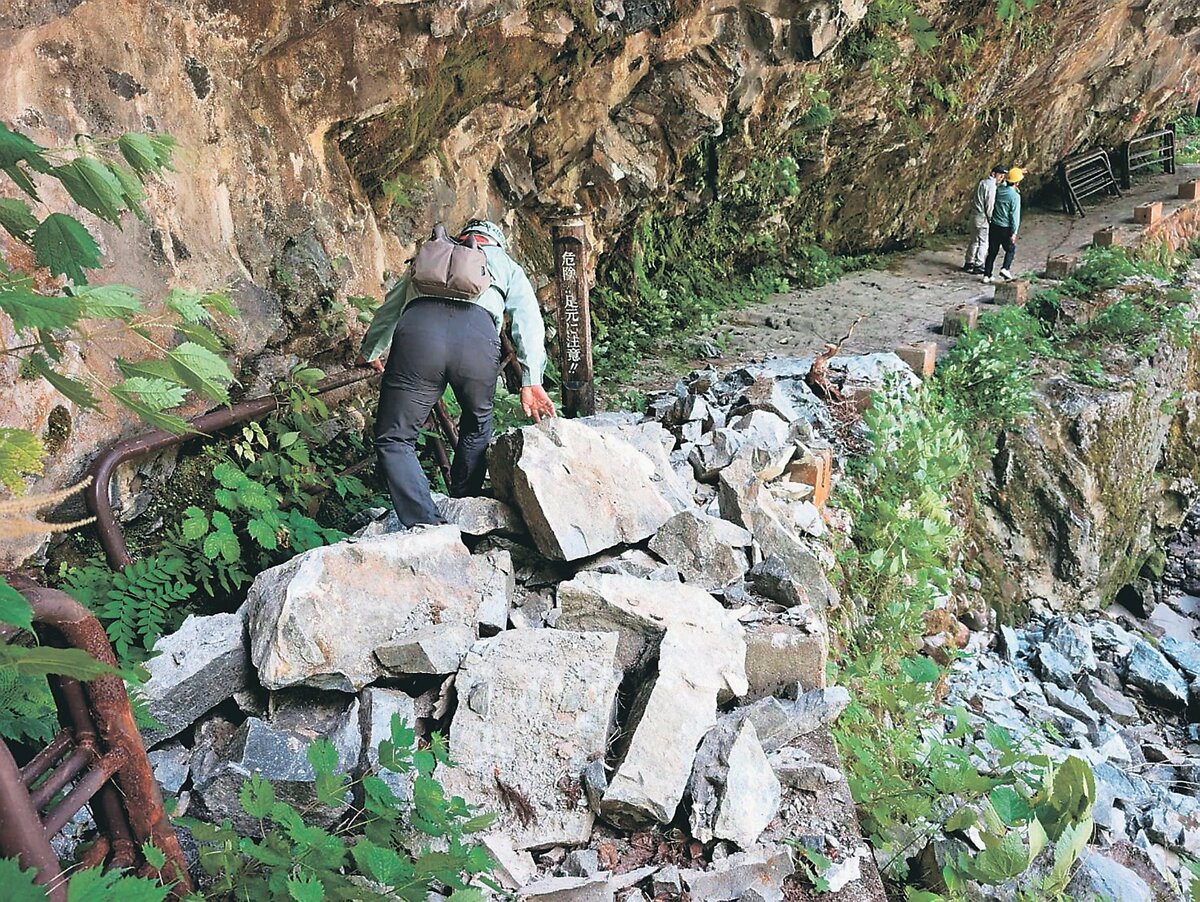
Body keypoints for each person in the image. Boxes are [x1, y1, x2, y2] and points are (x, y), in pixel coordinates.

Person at [356, 218, 556, 527]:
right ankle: (466, 513)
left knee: (395, 438)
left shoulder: (432, 255)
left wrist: (370, 351)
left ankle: (426, 525)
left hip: (419, 338)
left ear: (461, 237)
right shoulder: (505, 264)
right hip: (476, 343)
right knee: (476, 426)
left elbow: (390, 308)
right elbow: (528, 323)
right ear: (496, 242)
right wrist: (531, 380)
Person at [963, 164, 1009, 274]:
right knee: (983, 242)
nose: (1001, 178)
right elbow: (989, 205)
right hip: (983, 218)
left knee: (974, 240)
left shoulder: (982, 183)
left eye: (1003, 176)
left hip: (974, 215)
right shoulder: (991, 186)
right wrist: (991, 219)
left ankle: (969, 262)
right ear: (993, 174)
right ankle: (979, 264)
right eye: (1000, 175)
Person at [982, 167, 1024, 284]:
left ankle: (987, 275)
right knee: (1010, 249)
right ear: (1017, 182)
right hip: (1006, 228)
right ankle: (1005, 268)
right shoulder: (1015, 196)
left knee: (992, 251)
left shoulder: (999, 189)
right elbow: (1014, 216)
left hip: (994, 225)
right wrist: (1014, 232)